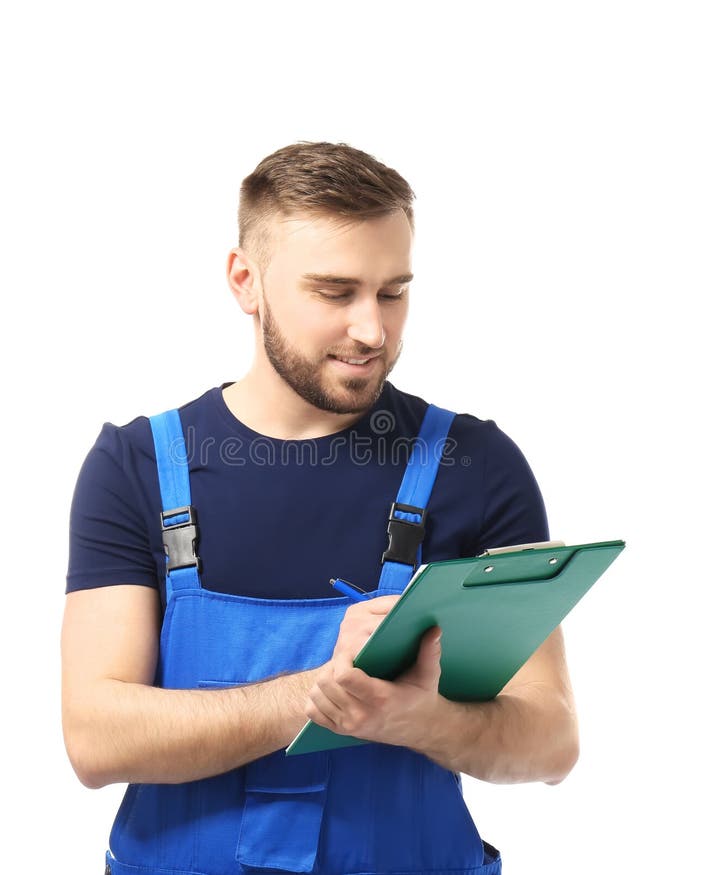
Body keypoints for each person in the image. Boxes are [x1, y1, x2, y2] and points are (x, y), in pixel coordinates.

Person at [62, 141, 579, 875]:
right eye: (335, 293)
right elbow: (94, 735)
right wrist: (319, 696)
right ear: (246, 281)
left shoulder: (478, 466)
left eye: (393, 291)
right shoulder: (136, 468)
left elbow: (551, 738)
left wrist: (427, 718)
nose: (372, 330)